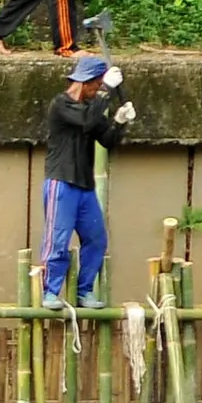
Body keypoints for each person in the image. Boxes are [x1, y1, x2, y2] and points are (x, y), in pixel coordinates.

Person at [41, 53, 134, 310]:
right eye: (94, 86)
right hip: (61, 182)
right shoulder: (61, 105)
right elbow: (84, 121)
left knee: (96, 239)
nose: (95, 91)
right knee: (57, 240)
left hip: (84, 187)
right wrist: (107, 91)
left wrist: (119, 122)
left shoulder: (91, 108)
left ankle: (84, 291)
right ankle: (50, 291)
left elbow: (107, 139)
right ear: (85, 82)